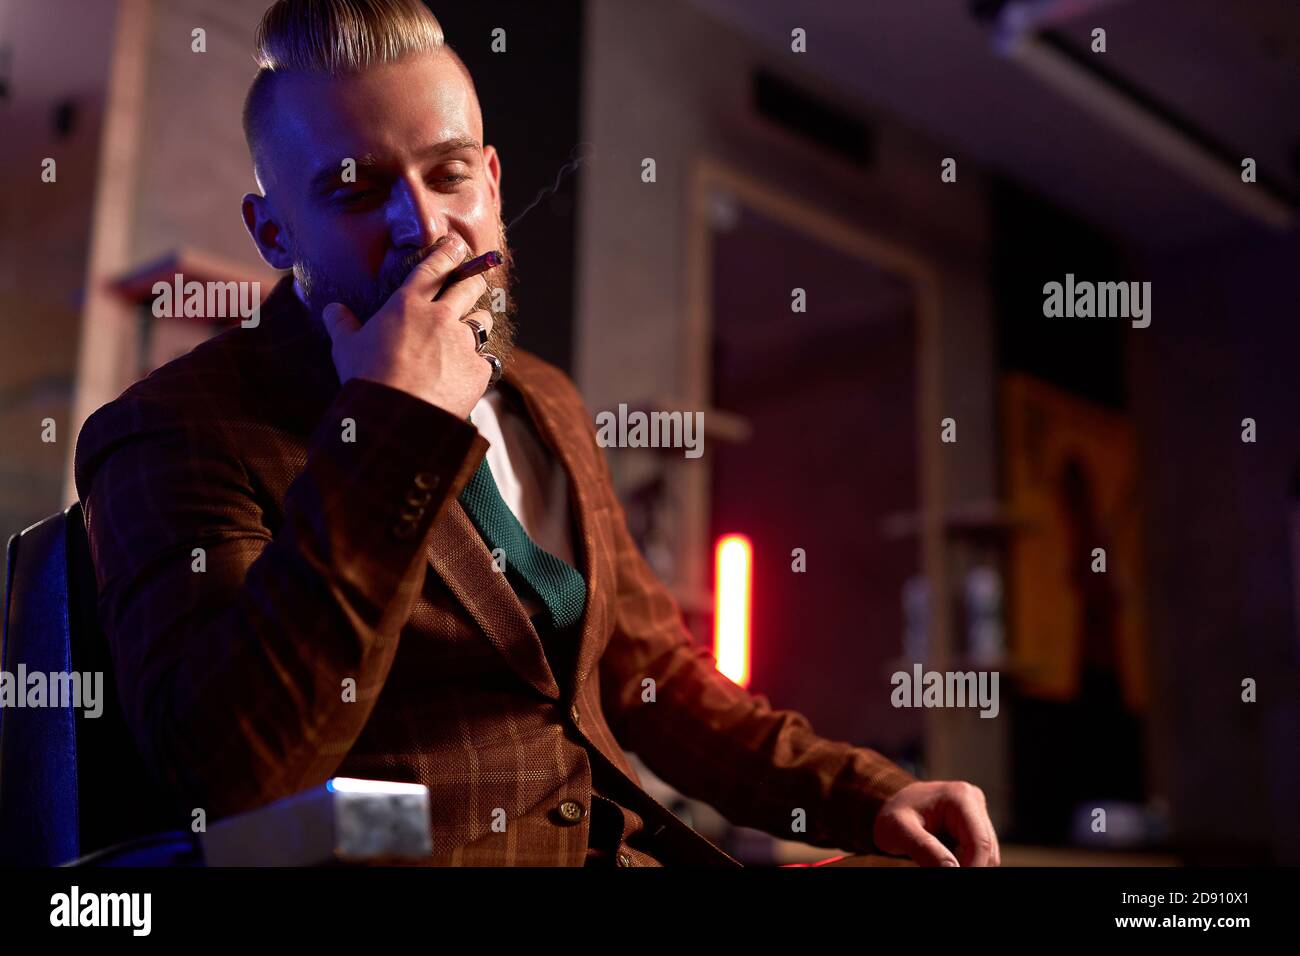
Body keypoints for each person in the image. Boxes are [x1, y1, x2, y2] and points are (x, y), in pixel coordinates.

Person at [73, 0, 999, 867]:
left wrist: (869, 794)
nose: (424, 226)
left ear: (491, 178)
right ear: (275, 232)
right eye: (356, 193)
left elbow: (655, 678)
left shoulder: (546, 398)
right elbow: (230, 772)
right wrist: (391, 424)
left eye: (449, 174)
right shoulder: (171, 431)